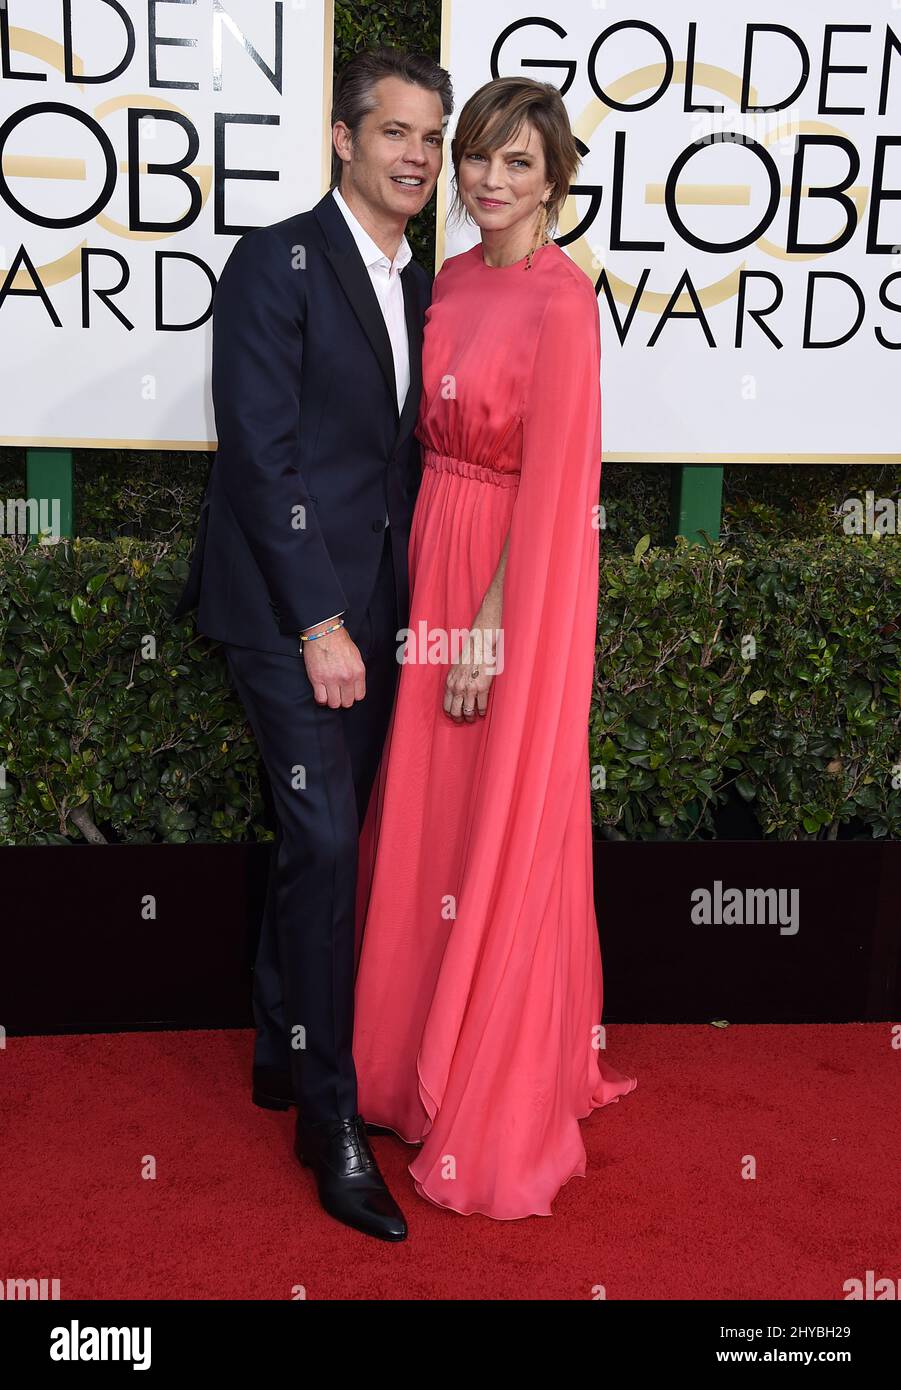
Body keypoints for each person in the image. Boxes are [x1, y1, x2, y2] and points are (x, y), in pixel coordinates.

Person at [172, 47, 453, 1241]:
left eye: (433, 140)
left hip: (382, 607)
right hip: (294, 612)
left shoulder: (424, 280)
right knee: (331, 844)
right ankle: (330, 1121)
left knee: (321, 843)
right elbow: (259, 456)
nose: (417, 158)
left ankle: (280, 1047)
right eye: (394, 133)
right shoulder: (273, 259)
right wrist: (321, 621)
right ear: (342, 139)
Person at [351, 76, 637, 1220]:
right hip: (437, 541)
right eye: (476, 158)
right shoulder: (451, 278)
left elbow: (564, 486)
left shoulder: (565, 303)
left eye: (517, 164)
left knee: (498, 808)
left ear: (554, 179)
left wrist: (488, 628)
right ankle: (402, 1063)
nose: (487, 180)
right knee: (425, 806)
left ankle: (484, 1075)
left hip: (512, 580)